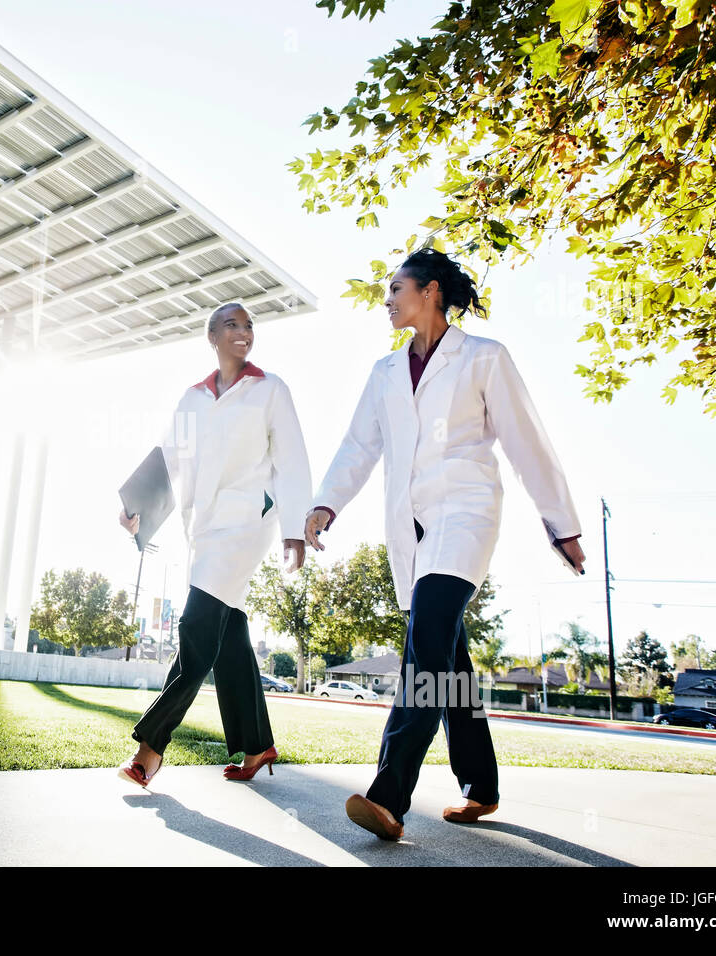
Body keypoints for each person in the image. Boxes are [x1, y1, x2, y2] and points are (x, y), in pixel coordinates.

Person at [305, 248, 585, 840]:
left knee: (426, 642)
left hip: (465, 515)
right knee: (448, 658)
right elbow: (359, 447)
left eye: (396, 288)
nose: (387, 299)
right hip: (409, 528)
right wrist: (326, 503)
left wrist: (561, 523)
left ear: (431, 291)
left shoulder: (483, 358)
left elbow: (525, 440)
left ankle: (390, 794)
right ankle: (480, 785)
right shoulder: (384, 373)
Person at [117, 302, 311, 787]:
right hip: (203, 530)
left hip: (248, 523)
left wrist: (294, 527)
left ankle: (151, 747)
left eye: (249, 325)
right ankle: (258, 744)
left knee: (197, 627)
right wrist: (134, 505)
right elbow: (170, 457)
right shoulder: (194, 398)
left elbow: (291, 458)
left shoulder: (270, 390)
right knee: (228, 637)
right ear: (212, 337)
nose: (243, 332)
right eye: (232, 325)